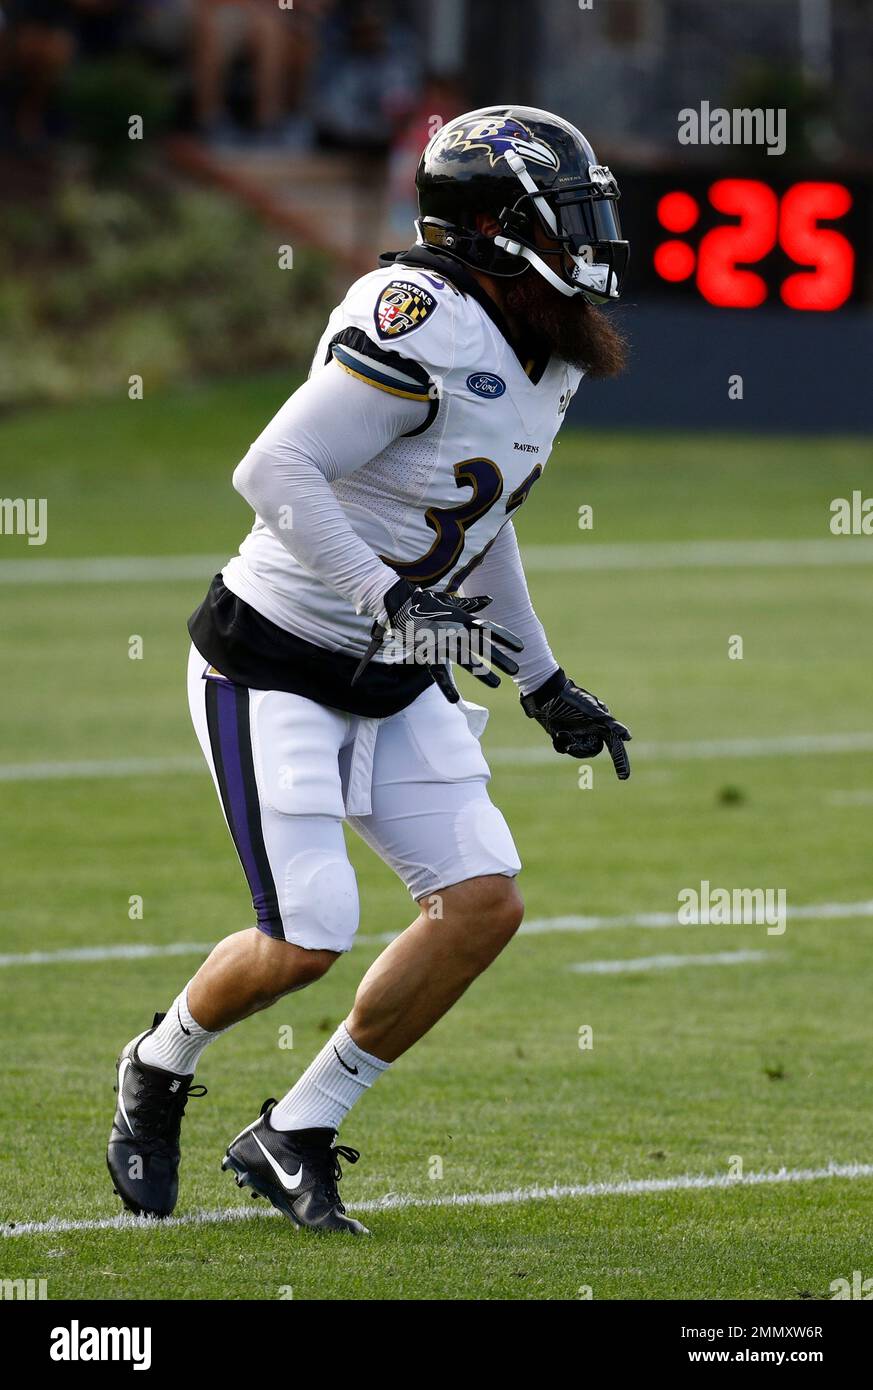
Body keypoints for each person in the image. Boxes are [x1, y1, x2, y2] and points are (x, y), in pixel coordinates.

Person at [107, 104, 632, 1236]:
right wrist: (387, 596)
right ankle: (158, 1062)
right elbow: (275, 469)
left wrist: (544, 679)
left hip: (393, 670)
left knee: (481, 904)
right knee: (304, 936)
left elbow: (477, 527)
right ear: (492, 226)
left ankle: (295, 1130)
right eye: (572, 215)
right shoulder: (422, 317)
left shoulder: (547, 349)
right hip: (276, 657)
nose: (596, 240)